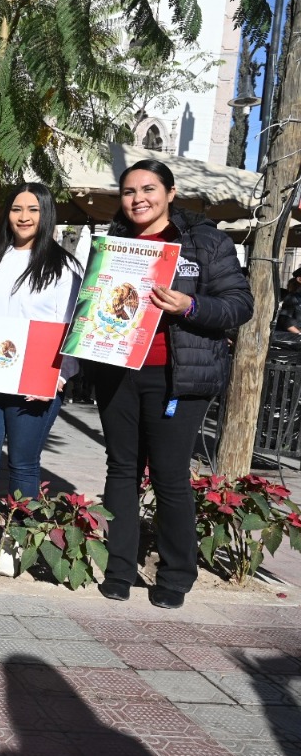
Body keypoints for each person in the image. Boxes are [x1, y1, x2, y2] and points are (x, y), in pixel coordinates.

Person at [96, 159, 252, 609]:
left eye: (148, 189)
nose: (138, 199)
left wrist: (190, 305)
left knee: (169, 476)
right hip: (118, 372)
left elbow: (240, 305)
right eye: (129, 191)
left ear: (169, 191)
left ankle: (177, 574)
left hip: (177, 378)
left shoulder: (204, 241)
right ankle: (119, 568)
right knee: (122, 470)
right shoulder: (114, 243)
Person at [0, 183, 82, 574]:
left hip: (36, 384)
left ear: (46, 214)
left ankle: (14, 541)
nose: (23, 216)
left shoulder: (65, 267)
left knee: (25, 466)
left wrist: (55, 379)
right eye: (16, 209)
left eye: (32, 209)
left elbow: (72, 326)